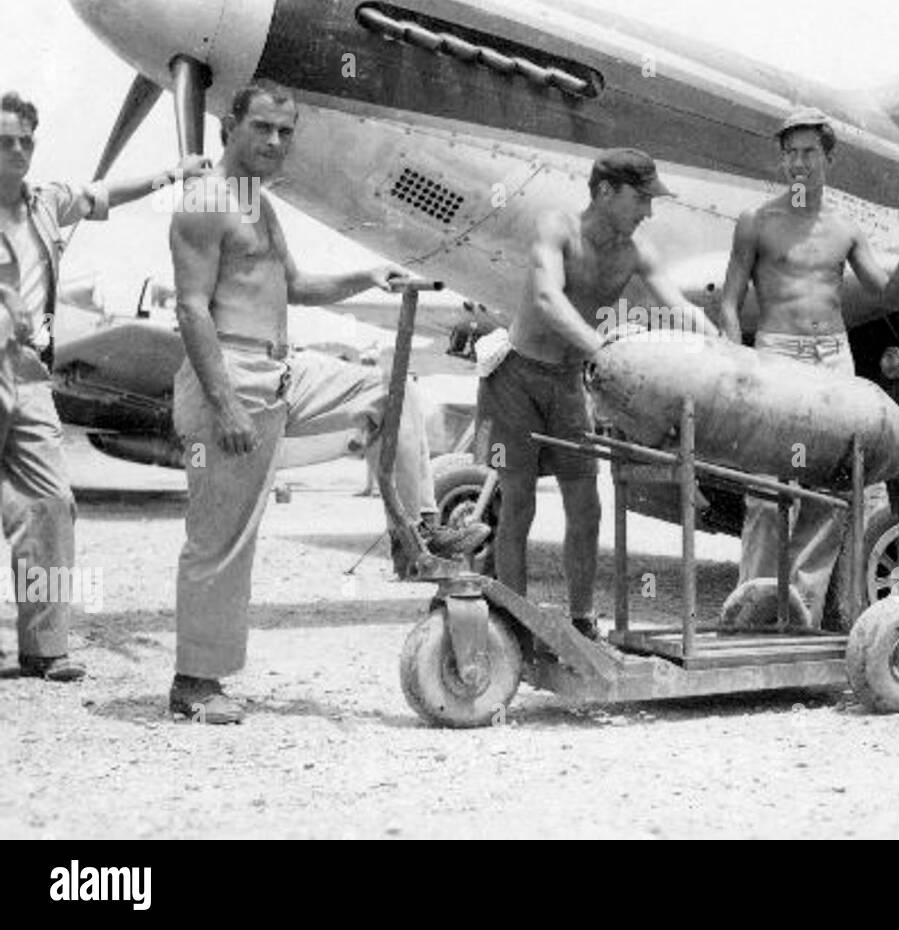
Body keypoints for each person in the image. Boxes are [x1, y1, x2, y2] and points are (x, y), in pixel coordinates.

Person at [167, 79, 485, 725]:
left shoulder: (259, 203)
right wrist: (225, 404)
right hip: (228, 376)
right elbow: (191, 307)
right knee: (222, 539)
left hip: (281, 371)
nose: (276, 142)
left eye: (286, 131)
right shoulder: (205, 202)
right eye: (263, 128)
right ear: (230, 126)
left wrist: (367, 276)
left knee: (392, 388)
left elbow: (300, 285)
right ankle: (195, 684)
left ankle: (420, 530)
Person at [0, 89, 206, 682]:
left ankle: (45, 646)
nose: (14, 150)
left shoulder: (46, 203)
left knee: (53, 504)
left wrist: (174, 172)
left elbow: (106, 193)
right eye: (2, 140)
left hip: (32, 376)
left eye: (23, 140)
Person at [477, 148, 717, 639]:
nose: (648, 212)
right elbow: (548, 299)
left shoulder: (635, 252)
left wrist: (723, 352)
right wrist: (599, 349)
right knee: (518, 501)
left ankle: (581, 621)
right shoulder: (557, 228)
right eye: (641, 199)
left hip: (567, 385)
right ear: (606, 191)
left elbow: (681, 309)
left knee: (586, 506)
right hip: (516, 379)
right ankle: (514, 622)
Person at [718, 107, 899, 628]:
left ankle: (801, 613)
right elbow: (727, 302)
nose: (799, 164)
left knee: (834, 488)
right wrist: (737, 361)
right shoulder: (756, 222)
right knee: (768, 492)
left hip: (833, 358)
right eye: (790, 154)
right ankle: (754, 612)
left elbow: (888, 294)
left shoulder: (844, 227)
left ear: (828, 158)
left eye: (809, 153)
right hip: (777, 356)